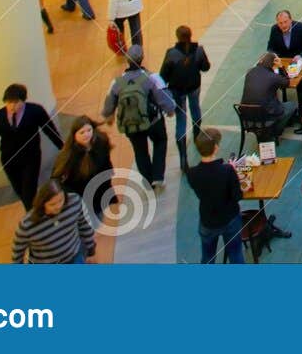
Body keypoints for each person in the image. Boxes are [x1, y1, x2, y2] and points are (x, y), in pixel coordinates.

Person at [103, 44, 176, 191]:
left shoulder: (117, 82)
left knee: (140, 151)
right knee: (160, 142)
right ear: (142, 58)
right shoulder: (152, 78)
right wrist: (170, 110)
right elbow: (164, 99)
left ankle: (148, 180)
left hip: (131, 124)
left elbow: (108, 107)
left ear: (127, 61)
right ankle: (158, 176)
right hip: (154, 121)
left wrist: (109, 118)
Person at [0, 82, 63, 210]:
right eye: (9, 102)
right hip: (9, 162)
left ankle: (33, 216)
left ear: (23, 101)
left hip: (31, 159)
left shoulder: (35, 111)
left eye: (16, 103)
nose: (12, 106)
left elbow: (51, 131)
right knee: (20, 192)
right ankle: (35, 212)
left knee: (28, 193)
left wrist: (64, 149)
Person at [185, 129, 246, 263]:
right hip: (230, 218)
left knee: (207, 257)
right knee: (236, 255)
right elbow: (237, 196)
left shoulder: (192, 173)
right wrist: (234, 175)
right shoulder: (227, 170)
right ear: (216, 147)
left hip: (207, 220)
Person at [159, 26, 210, 172]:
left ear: (177, 37)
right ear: (190, 35)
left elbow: (163, 76)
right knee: (196, 109)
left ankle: (183, 157)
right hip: (194, 87)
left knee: (181, 121)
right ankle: (197, 136)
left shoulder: (171, 54)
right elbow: (205, 67)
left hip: (177, 91)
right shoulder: (198, 50)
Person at [11, 181, 95, 265]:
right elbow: (18, 251)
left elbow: (85, 226)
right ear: (42, 203)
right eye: (52, 204)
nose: (58, 206)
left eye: (61, 200)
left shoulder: (75, 202)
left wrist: (91, 250)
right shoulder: (27, 225)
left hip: (74, 258)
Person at [51, 117, 116, 225]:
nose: (86, 134)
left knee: (99, 219)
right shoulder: (69, 156)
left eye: (89, 130)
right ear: (74, 135)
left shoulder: (100, 143)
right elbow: (56, 178)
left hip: (99, 193)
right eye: (82, 132)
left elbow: (106, 162)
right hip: (82, 197)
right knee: (89, 224)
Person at [238, 52, 291, 139]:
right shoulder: (273, 76)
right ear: (274, 63)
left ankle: (265, 130)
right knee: (291, 106)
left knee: (272, 102)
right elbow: (287, 83)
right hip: (264, 116)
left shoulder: (250, 72)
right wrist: (281, 67)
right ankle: (275, 131)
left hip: (246, 115)